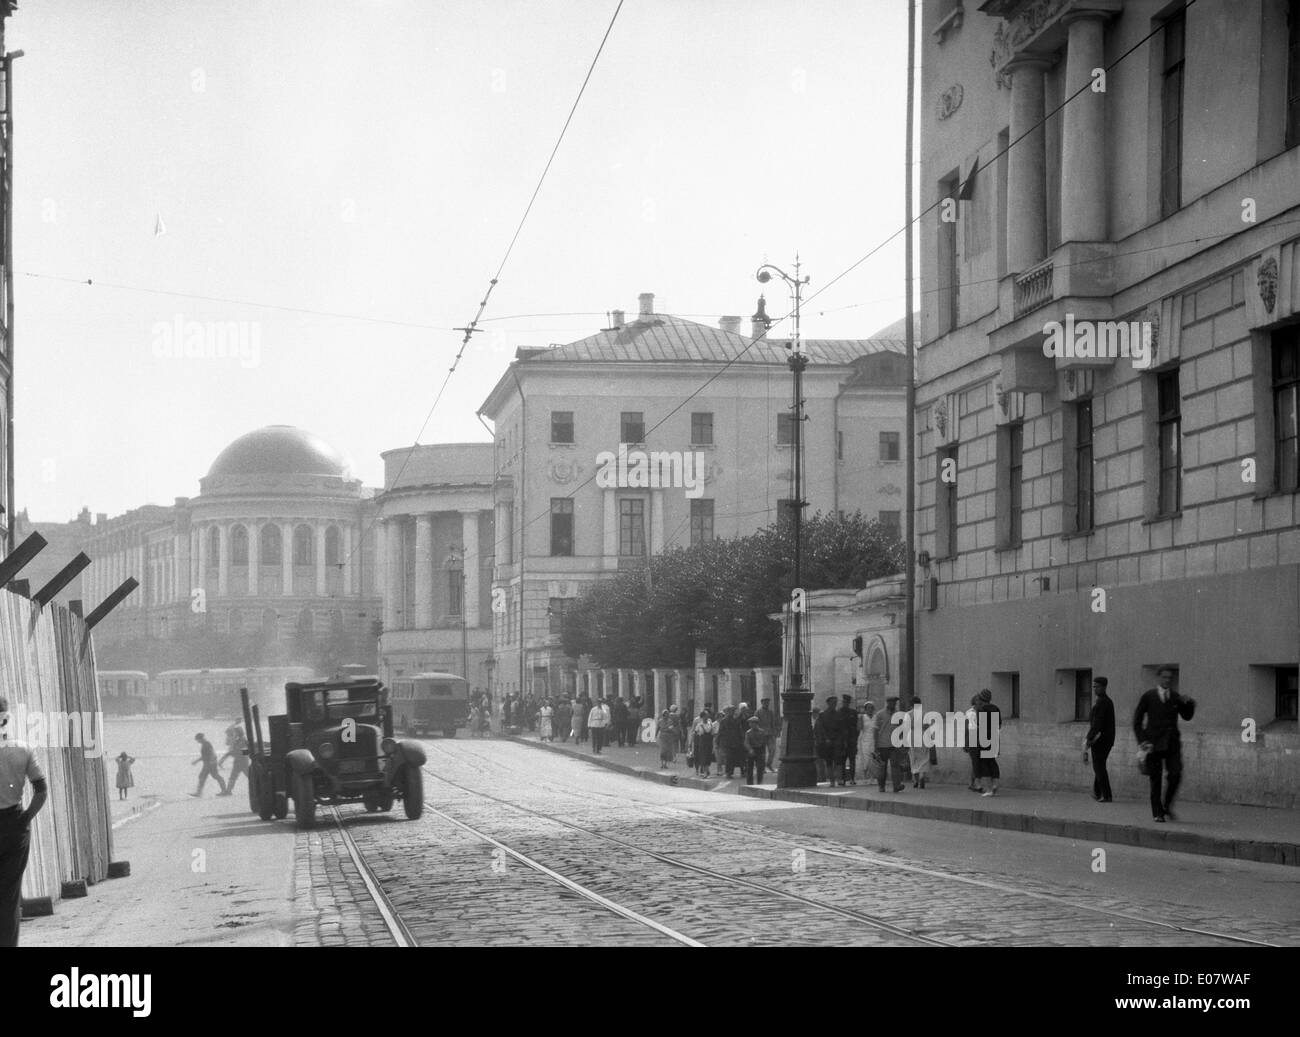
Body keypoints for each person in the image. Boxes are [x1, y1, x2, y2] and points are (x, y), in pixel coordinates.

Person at [0, 696, 48, 948]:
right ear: (5, 720)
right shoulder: (23, 750)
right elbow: (41, 789)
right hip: (13, 825)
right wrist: (25, 818)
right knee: (9, 896)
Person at [1132, 667, 1195, 823]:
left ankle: (1167, 805)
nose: (1167, 680)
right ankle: (1157, 812)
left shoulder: (1175, 697)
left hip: (1172, 743)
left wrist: (1189, 703)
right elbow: (1137, 721)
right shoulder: (1149, 696)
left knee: (1175, 774)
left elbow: (1186, 716)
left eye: (1170, 678)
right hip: (1153, 744)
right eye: (1164, 677)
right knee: (1156, 778)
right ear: (1158, 678)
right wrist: (1142, 741)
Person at [1085, 677, 1115, 803]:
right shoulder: (1105, 701)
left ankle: (1106, 795)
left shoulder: (1103, 702)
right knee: (1099, 766)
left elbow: (1097, 723)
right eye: (1094, 686)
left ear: (1104, 687)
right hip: (1106, 739)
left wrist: (1089, 738)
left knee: (1099, 767)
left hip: (1100, 740)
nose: (1094, 689)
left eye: (1097, 686)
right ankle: (1098, 792)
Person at [874, 696, 905, 793]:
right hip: (882, 745)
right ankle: (881, 786)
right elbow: (875, 731)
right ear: (888, 702)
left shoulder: (898, 714)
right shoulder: (880, 714)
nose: (894, 704)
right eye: (892, 702)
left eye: (895, 703)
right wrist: (875, 746)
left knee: (895, 766)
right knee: (882, 767)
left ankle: (896, 786)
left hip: (894, 745)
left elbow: (901, 729)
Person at [976, 689, 1001, 797]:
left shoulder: (981, 709)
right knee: (992, 761)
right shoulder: (995, 708)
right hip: (994, 735)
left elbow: (980, 724)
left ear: (982, 699)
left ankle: (989, 789)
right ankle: (996, 784)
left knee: (984, 762)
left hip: (984, 736)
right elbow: (999, 724)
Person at [813, 696, 841, 787]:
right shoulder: (823, 715)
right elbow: (820, 729)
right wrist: (825, 738)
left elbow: (841, 728)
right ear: (828, 703)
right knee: (829, 761)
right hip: (827, 742)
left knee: (837, 761)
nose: (835, 704)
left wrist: (840, 739)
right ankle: (832, 780)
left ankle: (837, 778)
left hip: (836, 741)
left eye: (836, 703)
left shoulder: (838, 714)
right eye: (833, 702)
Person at [191, 732, 229, 797]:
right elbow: (205, 756)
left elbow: (212, 753)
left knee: (215, 776)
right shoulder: (205, 744)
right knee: (203, 776)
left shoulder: (207, 744)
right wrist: (197, 761)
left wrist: (212, 762)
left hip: (210, 764)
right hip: (207, 763)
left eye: (197, 740)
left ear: (201, 739)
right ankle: (199, 793)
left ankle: (224, 791)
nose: (197, 741)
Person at [905, 696, 929, 789]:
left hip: (912, 735)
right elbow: (927, 726)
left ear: (911, 705)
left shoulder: (908, 714)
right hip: (922, 735)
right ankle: (922, 775)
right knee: (924, 756)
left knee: (913, 757)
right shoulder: (924, 713)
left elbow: (906, 727)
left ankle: (915, 780)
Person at [220, 724, 251, 795]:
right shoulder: (238, 739)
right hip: (238, 761)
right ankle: (228, 791)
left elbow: (247, 751)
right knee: (233, 776)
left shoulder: (243, 740)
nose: (234, 733)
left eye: (235, 732)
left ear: (239, 732)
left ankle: (257, 788)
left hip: (243, 761)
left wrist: (237, 753)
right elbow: (235, 750)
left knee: (249, 776)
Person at [717, 705, 745, 778]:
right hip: (728, 743)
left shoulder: (736, 720)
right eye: (731, 711)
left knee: (740, 757)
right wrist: (717, 742)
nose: (732, 712)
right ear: (727, 712)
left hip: (737, 742)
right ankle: (729, 773)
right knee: (729, 759)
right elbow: (720, 732)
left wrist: (742, 739)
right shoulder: (723, 721)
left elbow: (740, 730)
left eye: (733, 711)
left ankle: (743, 772)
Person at [840, 694, 861, 786]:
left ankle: (852, 778)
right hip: (842, 740)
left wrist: (855, 738)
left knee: (852, 760)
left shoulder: (853, 712)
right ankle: (842, 779)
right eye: (844, 702)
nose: (845, 703)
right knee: (842, 760)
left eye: (847, 702)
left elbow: (857, 727)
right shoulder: (839, 712)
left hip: (852, 740)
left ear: (849, 703)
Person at [964, 695, 982, 791]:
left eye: (980, 700)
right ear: (974, 702)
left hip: (981, 736)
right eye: (977, 700)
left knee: (977, 761)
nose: (979, 702)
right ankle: (977, 784)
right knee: (975, 761)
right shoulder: (969, 712)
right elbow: (966, 728)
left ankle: (971, 782)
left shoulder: (983, 712)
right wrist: (965, 743)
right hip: (972, 736)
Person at [744, 716, 769, 785]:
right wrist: (750, 750)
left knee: (760, 768)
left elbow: (764, 743)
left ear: (756, 723)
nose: (750, 725)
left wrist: (764, 753)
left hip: (760, 751)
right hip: (752, 750)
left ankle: (760, 782)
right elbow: (746, 742)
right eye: (750, 723)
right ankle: (749, 783)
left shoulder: (762, 732)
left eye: (752, 723)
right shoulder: (748, 732)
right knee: (749, 768)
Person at [757, 699, 777, 770]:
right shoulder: (758, 712)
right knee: (762, 752)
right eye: (765, 703)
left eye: (767, 703)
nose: (766, 704)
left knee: (772, 749)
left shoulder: (771, 712)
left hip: (770, 734)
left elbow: (773, 723)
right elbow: (756, 723)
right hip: (761, 734)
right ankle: (762, 767)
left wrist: (774, 732)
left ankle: (769, 764)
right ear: (762, 703)